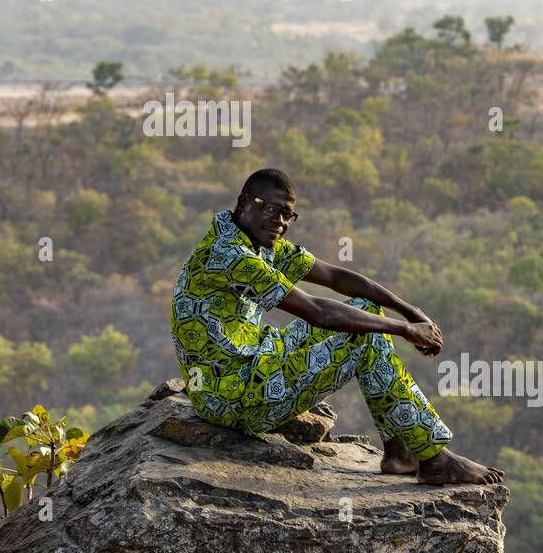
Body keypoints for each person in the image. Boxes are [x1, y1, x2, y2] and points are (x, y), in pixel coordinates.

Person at [171, 167, 505, 484]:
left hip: (253, 363)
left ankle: (401, 451)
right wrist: (404, 330)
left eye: (288, 214)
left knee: (365, 310)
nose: (281, 222)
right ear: (244, 203)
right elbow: (319, 312)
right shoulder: (231, 255)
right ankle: (431, 458)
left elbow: (334, 277)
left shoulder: (252, 240)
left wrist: (410, 311)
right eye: (272, 210)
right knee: (364, 336)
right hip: (232, 399)